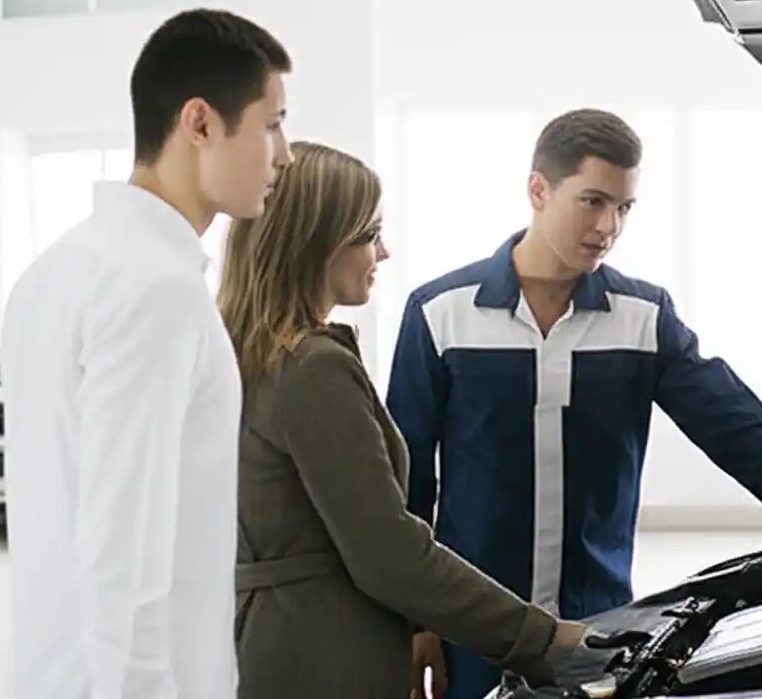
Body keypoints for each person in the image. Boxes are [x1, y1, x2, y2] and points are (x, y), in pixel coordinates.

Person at [386, 108, 762, 699]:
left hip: (597, 629)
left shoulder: (644, 317)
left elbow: (738, 430)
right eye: (593, 201)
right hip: (471, 629)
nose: (609, 227)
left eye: (624, 208)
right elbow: (406, 482)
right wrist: (414, 621)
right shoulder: (441, 313)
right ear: (537, 189)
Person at [217, 140, 587, 699]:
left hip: (270, 646)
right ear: (315, 243)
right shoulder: (313, 369)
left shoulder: (245, 355)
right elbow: (390, 553)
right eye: (368, 235)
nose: (383, 252)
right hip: (322, 661)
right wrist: (543, 638)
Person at [0, 9, 292, 698]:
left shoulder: (56, 270)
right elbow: (123, 565)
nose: (285, 152)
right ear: (200, 124)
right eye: (273, 121)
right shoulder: (154, 291)